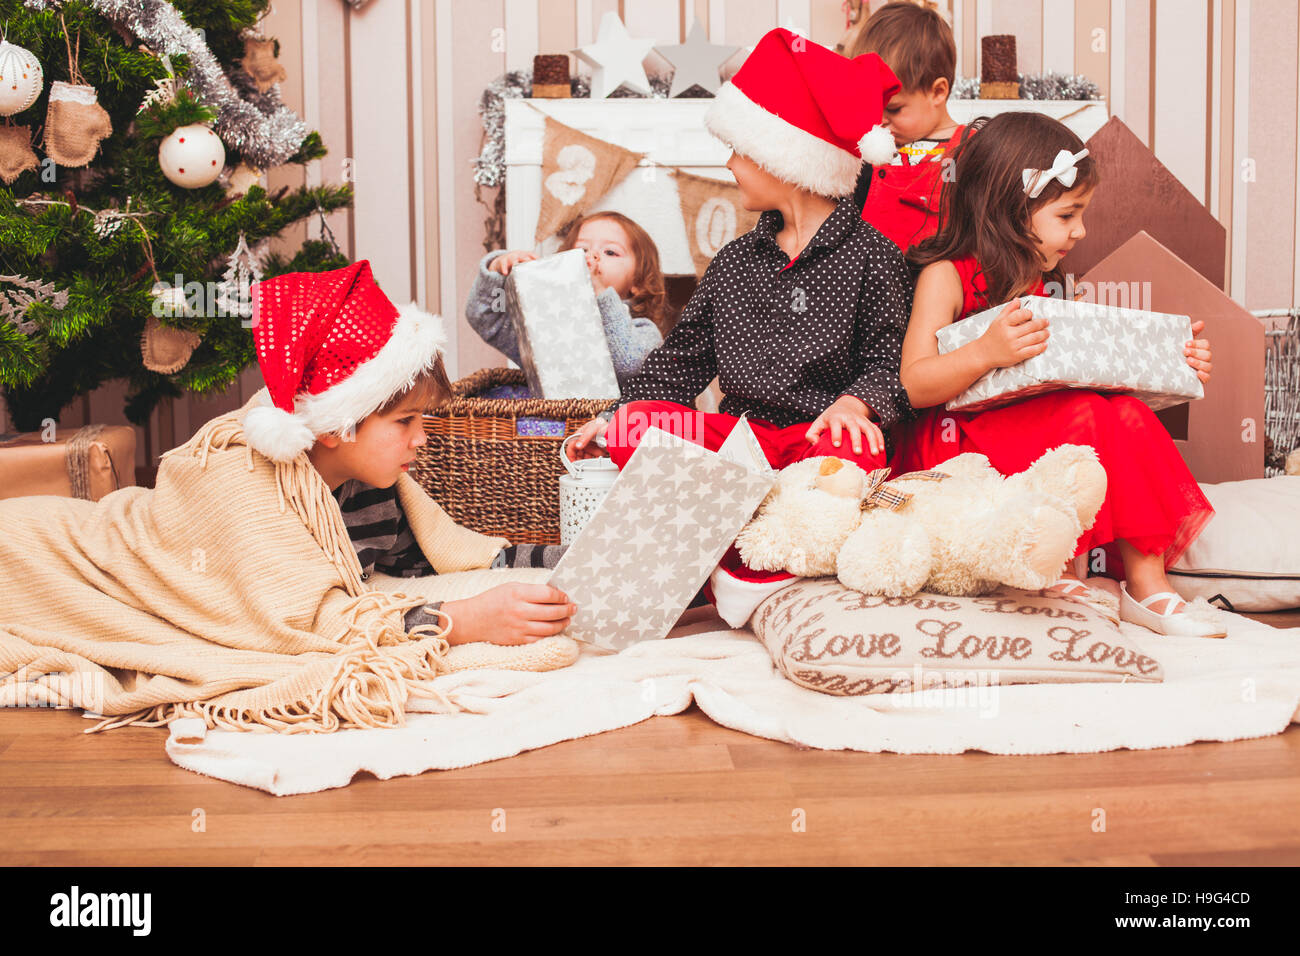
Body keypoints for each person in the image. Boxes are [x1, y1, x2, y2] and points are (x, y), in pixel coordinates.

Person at [0, 261, 576, 732]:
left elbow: (457, 558)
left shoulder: (370, 491)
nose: (421, 438)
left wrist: (578, 563)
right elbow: (309, 626)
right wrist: (465, 620)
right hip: (42, 553)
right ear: (336, 425)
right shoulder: (244, 488)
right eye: (405, 421)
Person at [566, 27, 910, 626]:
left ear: (786, 158)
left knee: (848, 456)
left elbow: (890, 361)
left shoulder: (874, 258)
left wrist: (858, 401)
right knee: (636, 427)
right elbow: (680, 363)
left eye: (740, 149)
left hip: (817, 447)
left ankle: (745, 564)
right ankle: (749, 556)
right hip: (741, 444)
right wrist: (612, 415)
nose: (727, 163)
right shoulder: (734, 262)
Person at [894, 111, 1221, 638]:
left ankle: (1146, 581)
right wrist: (984, 351)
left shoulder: (1043, 284)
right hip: (954, 444)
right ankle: (1060, 568)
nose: (1081, 231)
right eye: (1068, 215)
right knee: (1084, 414)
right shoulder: (947, 275)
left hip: (1026, 427)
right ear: (1011, 208)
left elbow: (1077, 376)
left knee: (1127, 414)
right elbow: (913, 383)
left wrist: (1172, 360)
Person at [466, 211, 670, 389]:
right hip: (546, 432)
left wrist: (600, 294)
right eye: (582, 250)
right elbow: (484, 318)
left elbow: (627, 366)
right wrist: (496, 270)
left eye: (610, 252)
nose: (592, 257)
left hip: (610, 430)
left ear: (638, 282)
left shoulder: (644, 331)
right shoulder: (545, 327)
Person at [847, 1, 967, 252]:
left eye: (893, 109)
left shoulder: (971, 151)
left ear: (938, 92)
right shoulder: (869, 155)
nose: (878, 120)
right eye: (871, 106)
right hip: (875, 285)